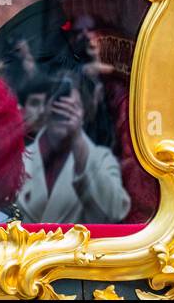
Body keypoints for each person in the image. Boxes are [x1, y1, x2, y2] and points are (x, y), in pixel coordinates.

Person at [15, 70, 131, 223]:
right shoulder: (19, 157)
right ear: (45, 108)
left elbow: (115, 212)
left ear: (83, 114)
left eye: (73, 107)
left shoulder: (100, 159)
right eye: (57, 104)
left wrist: (77, 139)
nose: (64, 111)